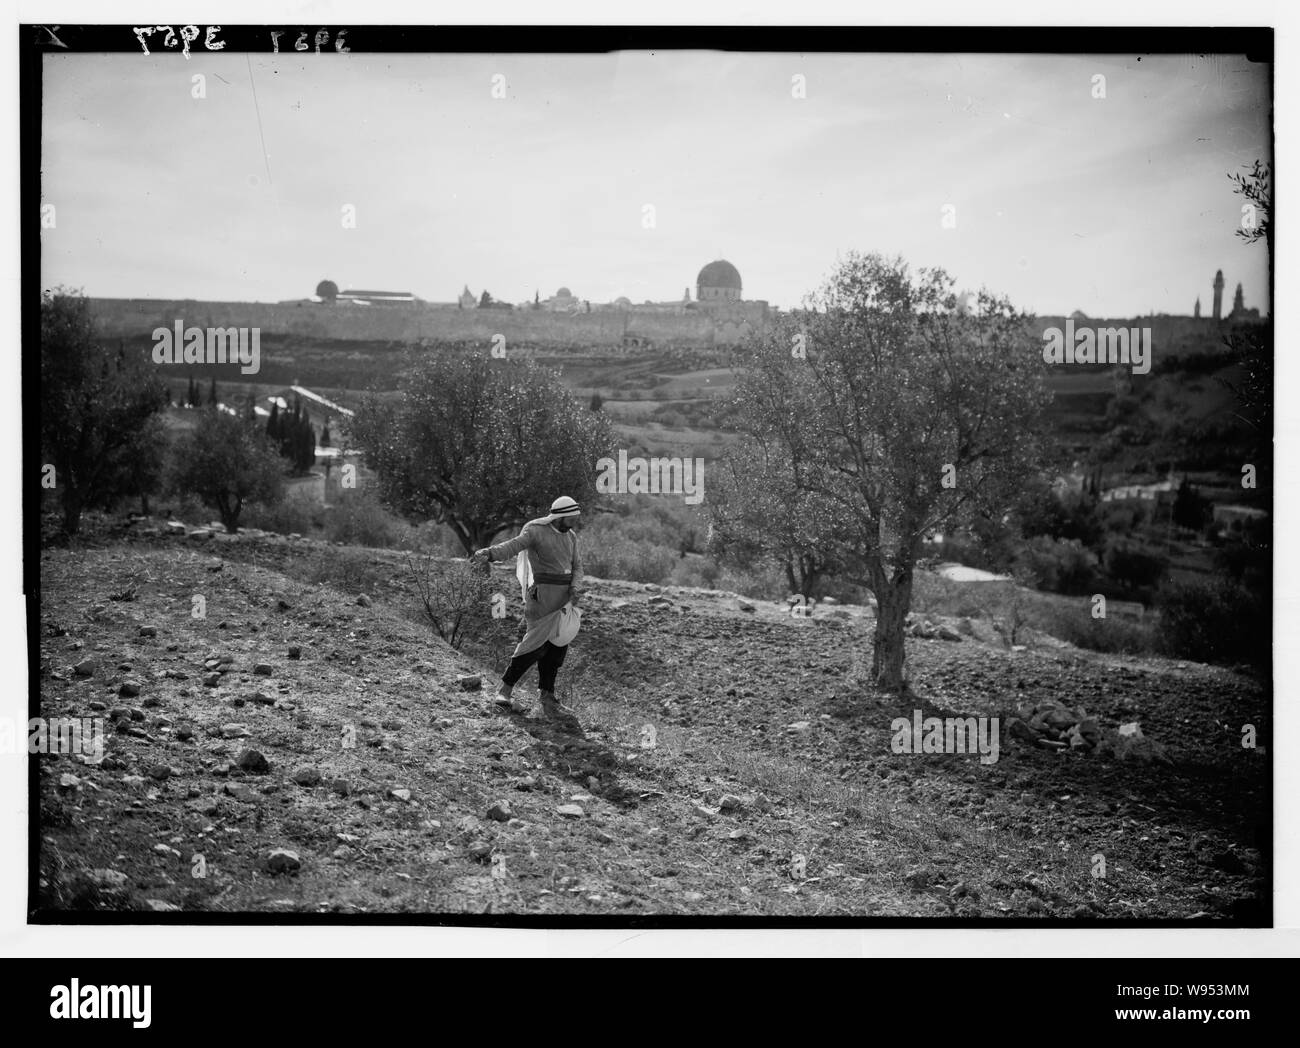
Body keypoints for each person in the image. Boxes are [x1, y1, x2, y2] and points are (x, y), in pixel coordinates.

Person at [470, 495, 583, 718]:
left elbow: (577, 566)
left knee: (557, 648)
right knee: (533, 645)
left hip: (564, 600)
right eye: (572, 517)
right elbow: (514, 546)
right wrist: (490, 553)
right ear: (561, 516)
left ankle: (547, 696)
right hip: (542, 598)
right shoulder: (536, 530)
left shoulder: (571, 536)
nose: (575, 521)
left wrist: (575, 587)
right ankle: (504, 690)